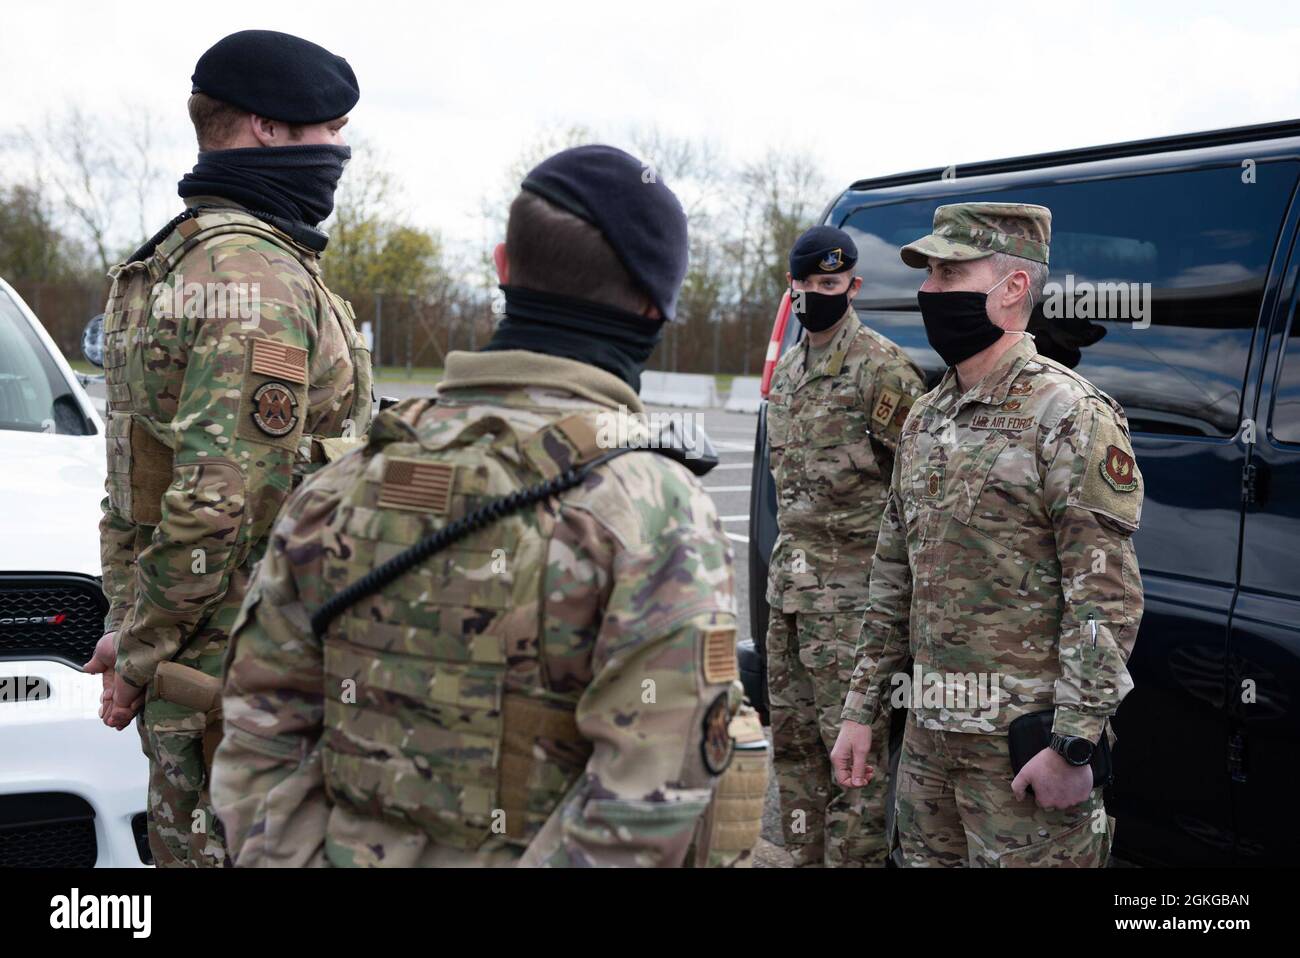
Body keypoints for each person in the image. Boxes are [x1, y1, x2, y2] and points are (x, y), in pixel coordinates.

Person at [211, 144, 752, 867]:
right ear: (657, 306)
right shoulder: (653, 506)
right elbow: (649, 795)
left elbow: (257, 726)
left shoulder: (341, 481)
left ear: (501, 266)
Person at [84, 29, 373, 867]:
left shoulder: (168, 263)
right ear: (267, 129)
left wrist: (129, 628)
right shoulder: (258, 279)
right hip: (244, 677)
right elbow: (216, 502)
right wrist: (138, 652)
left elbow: (132, 484)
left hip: (194, 668)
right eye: (329, 131)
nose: (340, 152)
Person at [830, 202, 1144, 867]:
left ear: (1013, 288)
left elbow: (1105, 598)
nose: (929, 291)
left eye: (948, 273)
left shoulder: (1069, 413)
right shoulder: (924, 416)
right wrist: (861, 710)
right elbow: (892, 577)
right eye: (930, 274)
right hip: (928, 748)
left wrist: (1075, 745)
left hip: (1023, 755)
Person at [764, 226, 925, 867]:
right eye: (809, 285)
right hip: (791, 595)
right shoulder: (790, 366)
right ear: (792, 286)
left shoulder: (881, 370)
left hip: (854, 608)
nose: (819, 295)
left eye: (832, 285)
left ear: (853, 286)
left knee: (852, 768)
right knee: (796, 752)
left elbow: (916, 489)